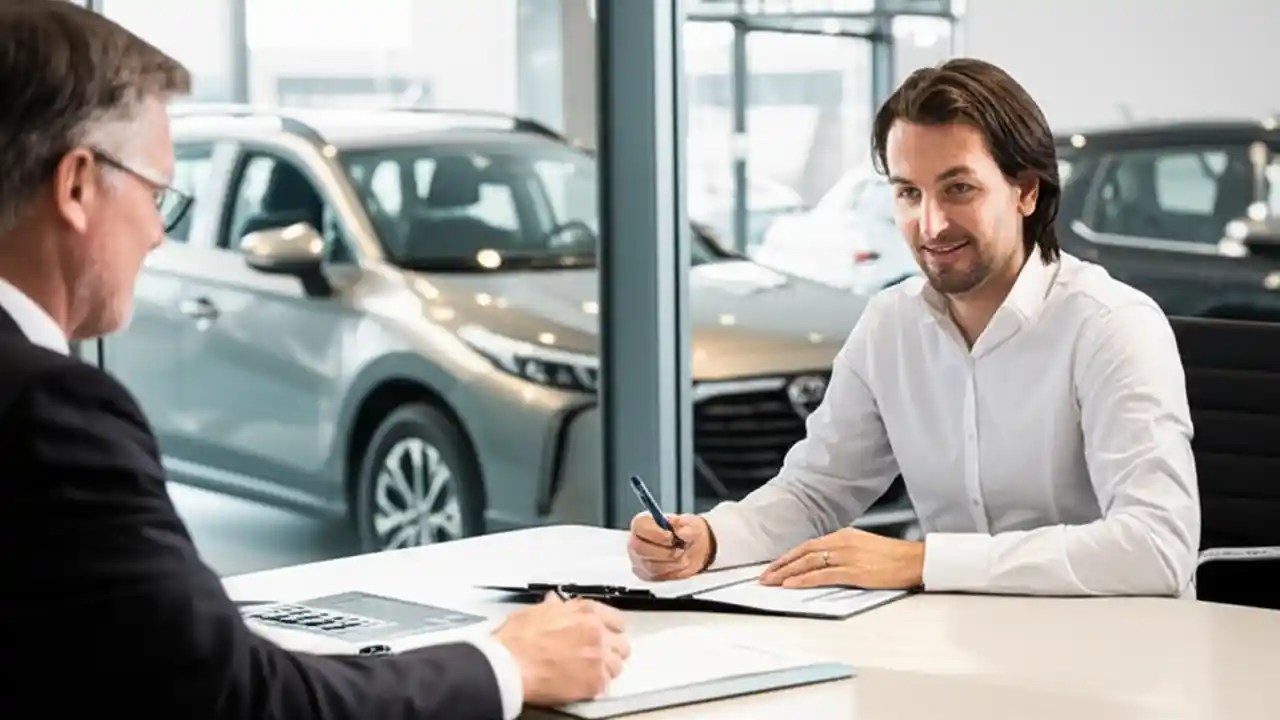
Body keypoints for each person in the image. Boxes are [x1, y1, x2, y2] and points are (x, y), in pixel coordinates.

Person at [0, 3, 627, 718]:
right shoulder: (49, 409)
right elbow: (237, 698)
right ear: (77, 185)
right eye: (158, 195)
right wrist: (506, 663)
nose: (158, 236)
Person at [629, 57, 1200, 598]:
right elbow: (816, 491)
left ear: (1026, 191)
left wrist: (922, 561)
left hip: (1109, 656)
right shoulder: (891, 324)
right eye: (908, 192)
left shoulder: (1111, 327)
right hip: (953, 641)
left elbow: (1156, 545)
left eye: (959, 188)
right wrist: (710, 540)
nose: (929, 224)